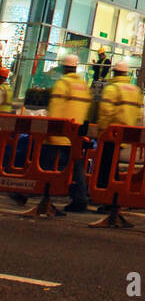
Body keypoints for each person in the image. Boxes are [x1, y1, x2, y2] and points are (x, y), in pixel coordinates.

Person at [46, 53, 93, 212]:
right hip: (77, 134)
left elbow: (55, 108)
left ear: (65, 68)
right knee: (78, 167)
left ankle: (38, 195)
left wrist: (50, 130)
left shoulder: (62, 84)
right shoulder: (84, 86)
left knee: (46, 166)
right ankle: (80, 200)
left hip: (60, 133)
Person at [94, 59, 144, 196]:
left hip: (111, 134)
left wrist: (102, 132)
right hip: (127, 134)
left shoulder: (112, 89)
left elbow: (105, 112)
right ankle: (114, 194)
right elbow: (139, 114)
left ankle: (107, 194)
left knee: (106, 166)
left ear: (114, 72)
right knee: (112, 164)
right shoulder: (136, 90)